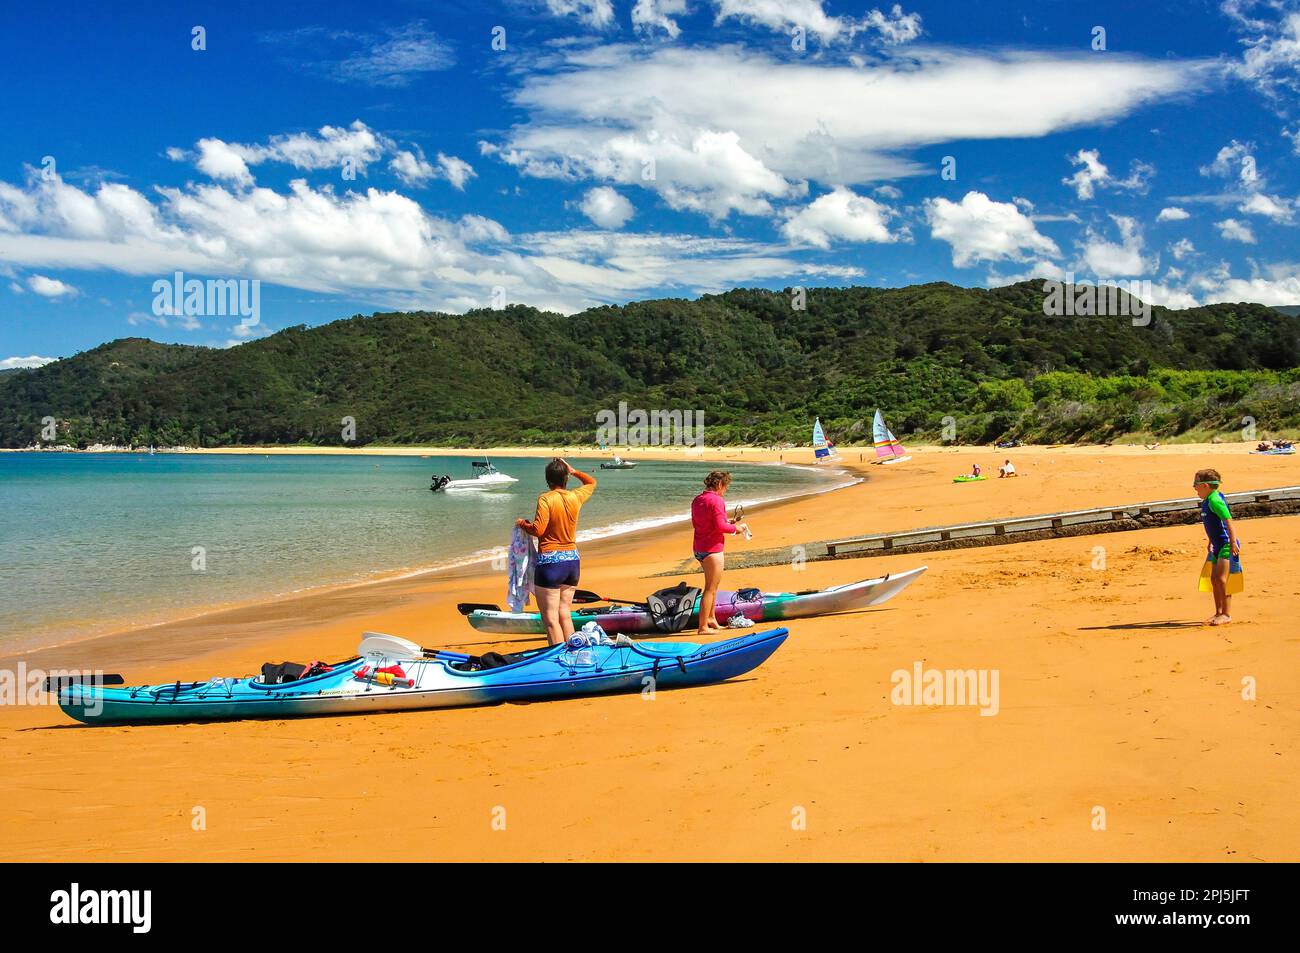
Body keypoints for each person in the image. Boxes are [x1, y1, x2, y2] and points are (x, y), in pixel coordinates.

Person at [516, 458, 596, 645]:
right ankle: (575, 654)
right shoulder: (576, 496)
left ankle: (559, 659)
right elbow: (591, 482)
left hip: (551, 563)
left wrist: (522, 524)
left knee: (550, 620)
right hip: (572, 561)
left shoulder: (545, 498)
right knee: (564, 614)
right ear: (566, 478)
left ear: (547, 479)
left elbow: (538, 530)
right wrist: (573, 470)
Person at [690, 470, 749, 636]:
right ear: (719, 484)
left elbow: (700, 522)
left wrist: (726, 522)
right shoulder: (717, 500)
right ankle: (703, 627)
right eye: (726, 487)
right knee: (710, 588)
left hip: (699, 548)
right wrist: (735, 529)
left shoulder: (697, 500)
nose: (725, 490)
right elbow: (721, 527)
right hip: (712, 550)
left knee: (713, 587)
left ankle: (711, 620)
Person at [1193, 468, 1241, 626]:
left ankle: (1227, 614)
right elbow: (1213, 524)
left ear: (1205, 485)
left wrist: (1233, 542)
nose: (1194, 488)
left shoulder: (1215, 500)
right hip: (1217, 544)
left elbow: (1228, 522)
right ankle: (1218, 612)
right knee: (1214, 579)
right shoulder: (1208, 500)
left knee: (1221, 579)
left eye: (1196, 484)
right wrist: (1210, 541)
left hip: (1226, 544)